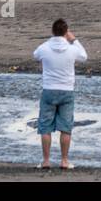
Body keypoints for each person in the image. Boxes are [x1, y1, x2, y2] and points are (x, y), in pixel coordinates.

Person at [32, 18, 86, 170]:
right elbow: (84, 56)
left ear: (52, 31)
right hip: (66, 90)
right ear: (66, 32)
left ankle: (46, 161)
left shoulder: (44, 48)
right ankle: (64, 161)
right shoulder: (72, 49)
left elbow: (35, 55)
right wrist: (74, 40)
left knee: (45, 127)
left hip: (49, 90)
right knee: (66, 127)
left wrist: (51, 41)